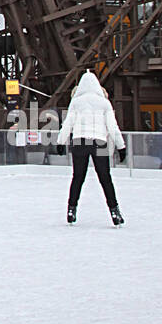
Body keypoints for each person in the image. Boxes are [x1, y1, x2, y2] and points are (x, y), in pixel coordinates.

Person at [56, 71, 125, 226]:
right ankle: (115, 212)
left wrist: (61, 142)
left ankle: (71, 210)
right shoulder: (104, 103)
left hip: (79, 141)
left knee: (78, 177)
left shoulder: (76, 102)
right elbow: (112, 127)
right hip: (99, 142)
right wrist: (121, 146)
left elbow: (67, 124)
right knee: (105, 178)